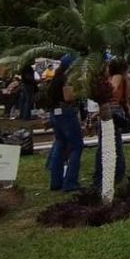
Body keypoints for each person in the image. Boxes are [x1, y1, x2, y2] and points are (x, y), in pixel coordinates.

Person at [94, 58, 130, 192]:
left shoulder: (116, 77)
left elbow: (111, 91)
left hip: (113, 110)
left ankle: (113, 173)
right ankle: (114, 173)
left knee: (112, 143)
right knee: (113, 143)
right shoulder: (120, 77)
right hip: (114, 110)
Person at [48, 54, 83, 192]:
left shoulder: (56, 78)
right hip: (66, 113)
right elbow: (68, 96)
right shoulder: (67, 78)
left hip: (55, 113)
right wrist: (81, 92)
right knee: (77, 146)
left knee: (60, 144)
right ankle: (70, 182)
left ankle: (56, 181)